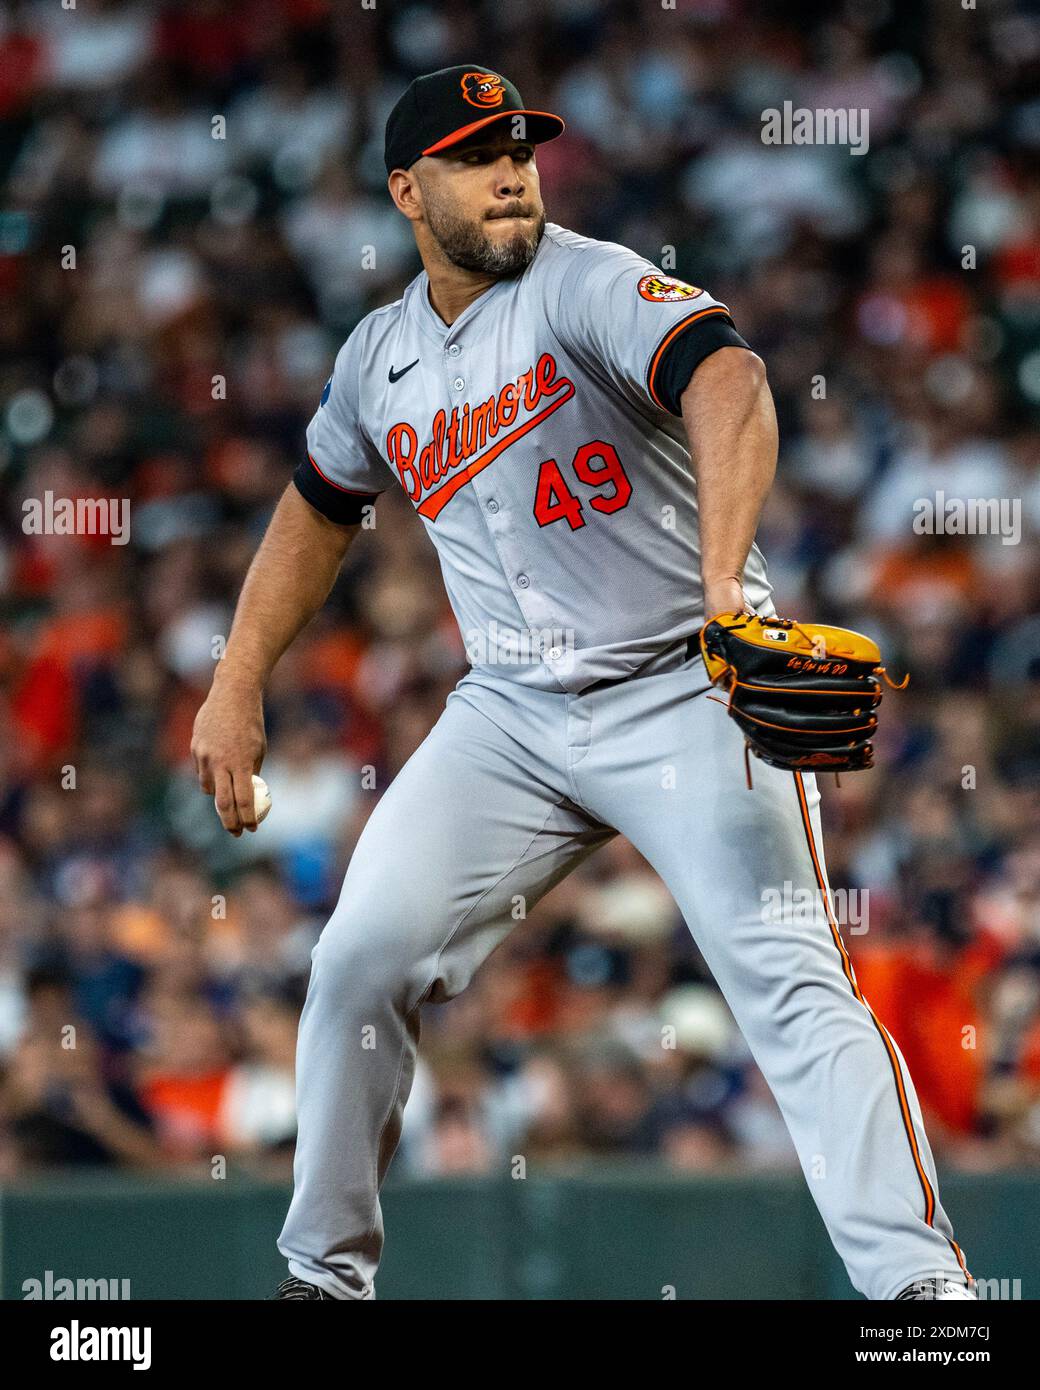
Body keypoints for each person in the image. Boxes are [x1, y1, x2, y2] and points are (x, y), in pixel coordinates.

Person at [191, 66, 974, 1302]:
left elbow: (731, 379)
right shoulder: (378, 356)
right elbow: (318, 504)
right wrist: (235, 680)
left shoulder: (588, 280)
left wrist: (726, 584)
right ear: (407, 190)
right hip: (509, 713)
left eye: (520, 148)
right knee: (357, 958)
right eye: (472, 155)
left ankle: (921, 1294)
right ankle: (321, 1278)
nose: (510, 171)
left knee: (786, 976)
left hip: (684, 675)